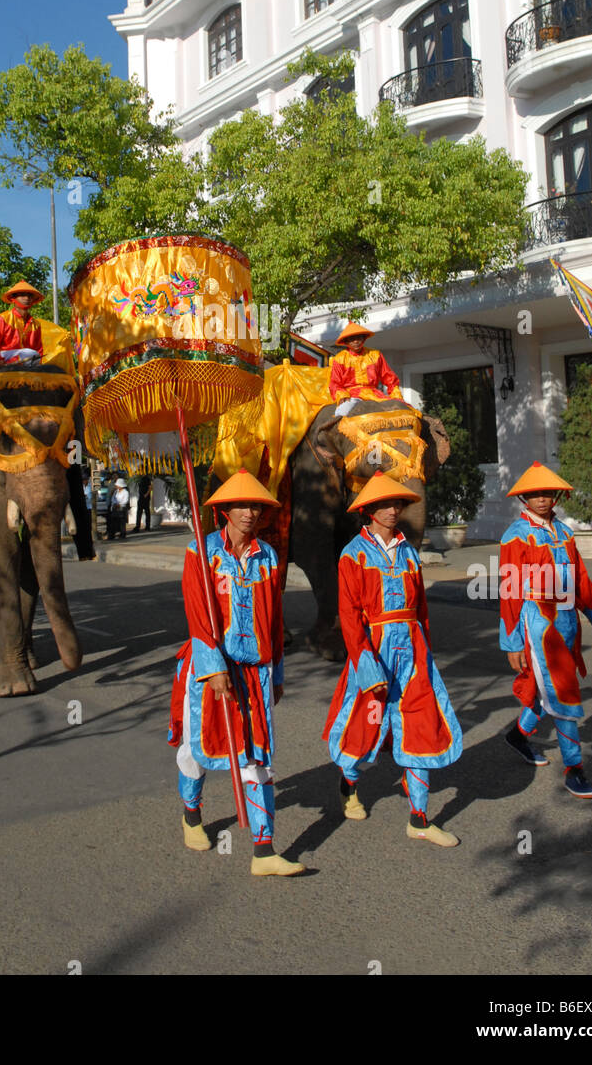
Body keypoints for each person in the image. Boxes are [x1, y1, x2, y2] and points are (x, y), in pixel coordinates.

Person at [168, 468, 304, 877]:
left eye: (256, 506)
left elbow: (275, 619)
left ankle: (264, 850)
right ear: (224, 510)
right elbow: (198, 615)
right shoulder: (201, 552)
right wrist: (213, 669)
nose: (249, 512)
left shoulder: (268, 558)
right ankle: (192, 814)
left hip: (256, 671)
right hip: (211, 670)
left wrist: (277, 673)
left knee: (257, 755)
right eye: (241, 505)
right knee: (200, 746)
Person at [324, 471, 462, 846]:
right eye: (384, 503)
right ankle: (348, 783)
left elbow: (422, 610)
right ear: (368, 509)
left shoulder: (409, 552)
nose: (393, 509)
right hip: (374, 647)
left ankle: (419, 818)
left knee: (419, 724)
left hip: (413, 651)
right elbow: (350, 618)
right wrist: (366, 665)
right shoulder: (353, 554)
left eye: (397, 503)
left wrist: (426, 653)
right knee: (366, 727)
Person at [499, 461, 592, 799]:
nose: (542, 498)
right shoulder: (516, 535)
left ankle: (518, 735)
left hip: (568, 620)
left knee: (547, 688)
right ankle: (575, 768)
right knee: (564, 691)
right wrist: (512, 643)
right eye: (535, 493)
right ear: (525, 497)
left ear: (555, 496)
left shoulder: (565, 532)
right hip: (539, 624)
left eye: (547, 493)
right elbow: (509, 592)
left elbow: (581, 582)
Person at [328, 322, 402, 418]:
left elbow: (389, 378)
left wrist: (396, 395)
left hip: (374, 395)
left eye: (359, 338)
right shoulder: (339, 358)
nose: (356, 341)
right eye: (352, 339)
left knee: (402, 410)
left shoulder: (375, 354)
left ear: (364, 338)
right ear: (346, 342)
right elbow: (335, 383)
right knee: (342, 413)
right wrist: (342, 395)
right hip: (351, 396)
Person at [0, 280, 45, 370]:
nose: (27, 298)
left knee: (34, 355)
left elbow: (38, 350)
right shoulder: (2, 319)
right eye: (23, 295)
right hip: (3, 357)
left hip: (26, 360)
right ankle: (9, 366)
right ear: (13, 298)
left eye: (30, 295)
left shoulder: (36, 325)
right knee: (29, 353)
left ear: (33, 300)